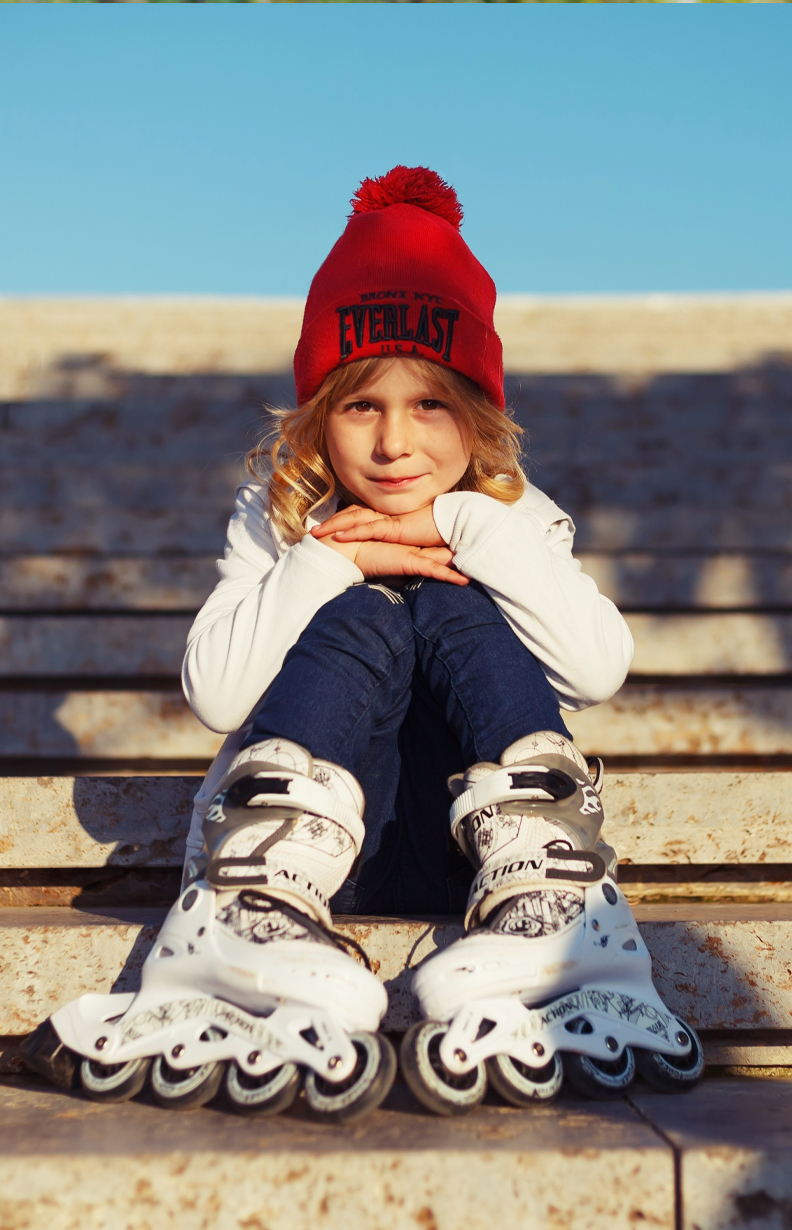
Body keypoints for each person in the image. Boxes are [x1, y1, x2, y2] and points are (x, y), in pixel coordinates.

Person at [26, 168, 701, 1118]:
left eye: (429, 405)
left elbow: (595, 669)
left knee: (452, 606)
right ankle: (243, 907)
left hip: (475, 856)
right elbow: (216, 696)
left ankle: (556, 897)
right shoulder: (281, 517)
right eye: (360, 406)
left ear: (478, 414)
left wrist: (468, 536)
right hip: (309, 851)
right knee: (370, 609)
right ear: (318, 415)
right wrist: (326, 564)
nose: (394, 444)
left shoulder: (518, 517)